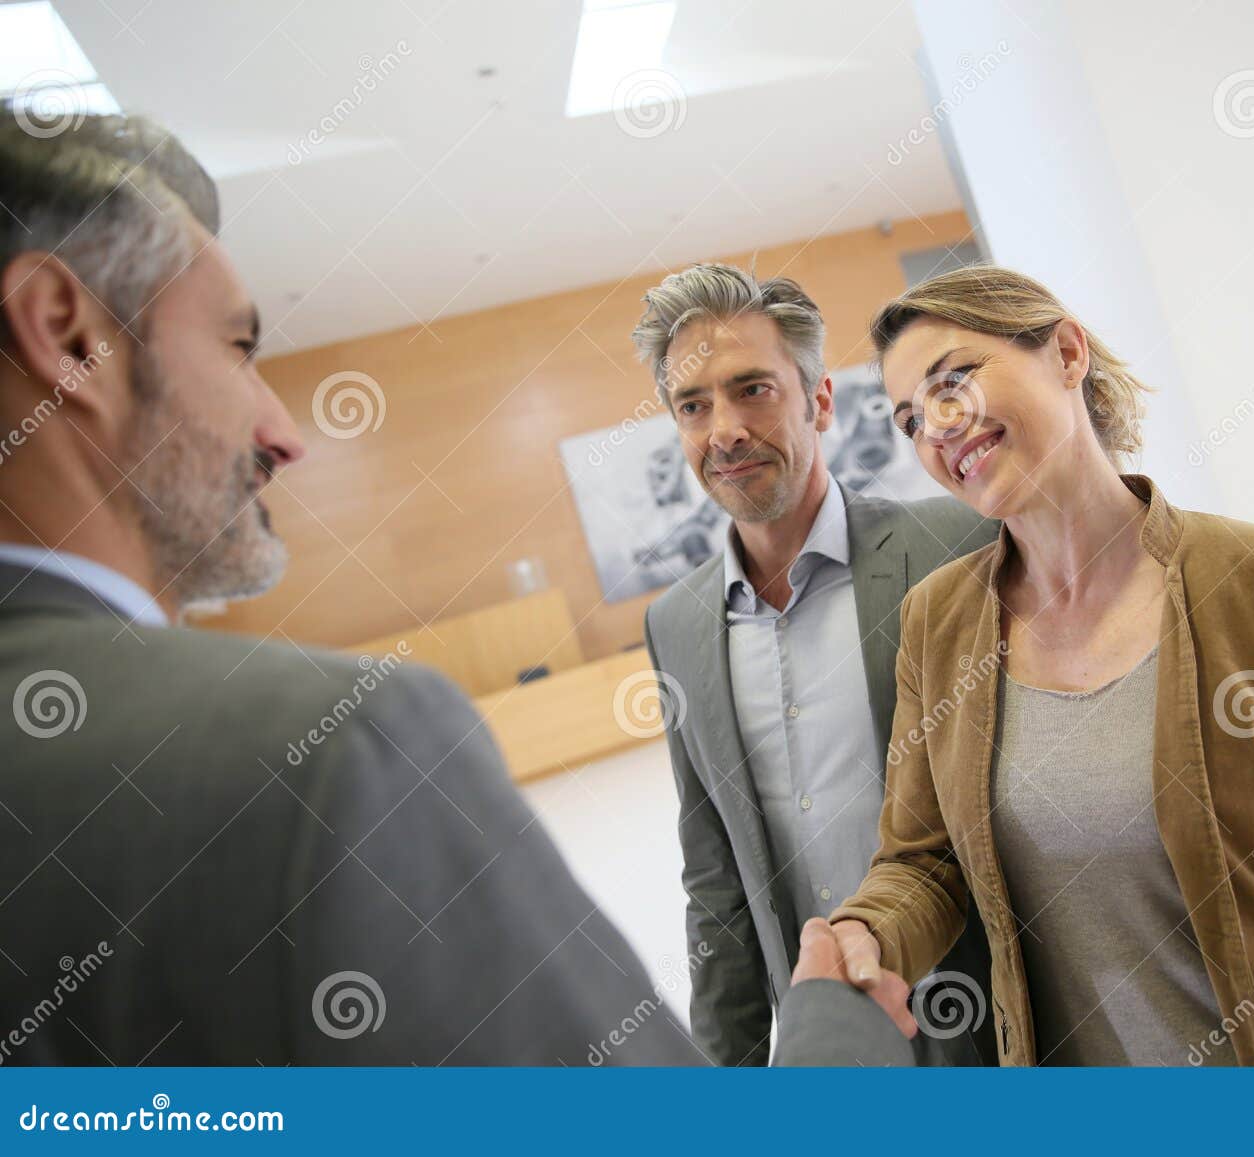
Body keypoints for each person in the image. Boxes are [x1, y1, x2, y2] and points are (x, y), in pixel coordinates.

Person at [0, 115, 912, 1067]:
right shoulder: (333, 756)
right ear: (67, 335)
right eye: (236, 347)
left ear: (817, 400)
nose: (285, 436)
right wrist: (832, 1026)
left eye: (753, 390)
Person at [631, 263, 1254, 1066]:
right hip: (850, 1033)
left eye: (753, 389)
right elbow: (718, 881)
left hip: (1014, 1019)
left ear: (820, 400)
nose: (724, 428)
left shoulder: (958, 538)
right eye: (693, 405)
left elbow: (1151, 560)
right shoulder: (678, 626)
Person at [823, 264, 1254, 1067]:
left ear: (1066, 352)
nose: (936, 427)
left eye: (955, 382)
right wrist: (863, 930)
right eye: (910, 418)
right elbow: (926, 860)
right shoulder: (936, 622)